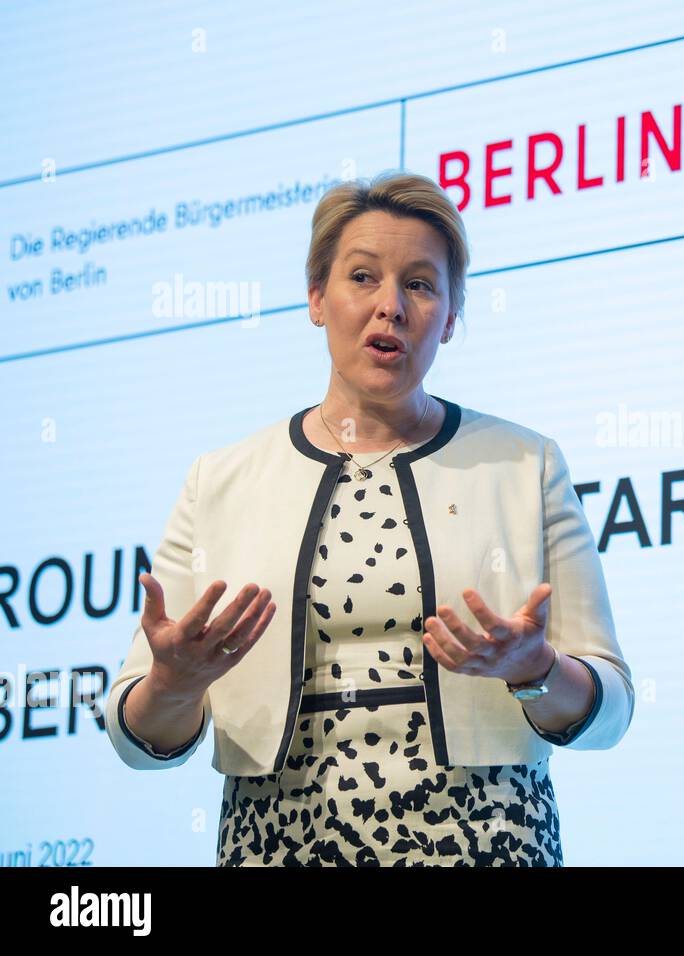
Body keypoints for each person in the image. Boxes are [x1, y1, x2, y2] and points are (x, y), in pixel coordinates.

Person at [106, 171, 634, 866]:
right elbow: (136, 739)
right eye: (363, 277)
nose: (391, 306)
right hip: (279, 844)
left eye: (420, 284)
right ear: (318, 299)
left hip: (487, 841)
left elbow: (611, 710)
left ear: (448, 318)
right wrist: (174, 684)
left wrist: (536, 670)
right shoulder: (223, 480)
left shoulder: (523, 464)